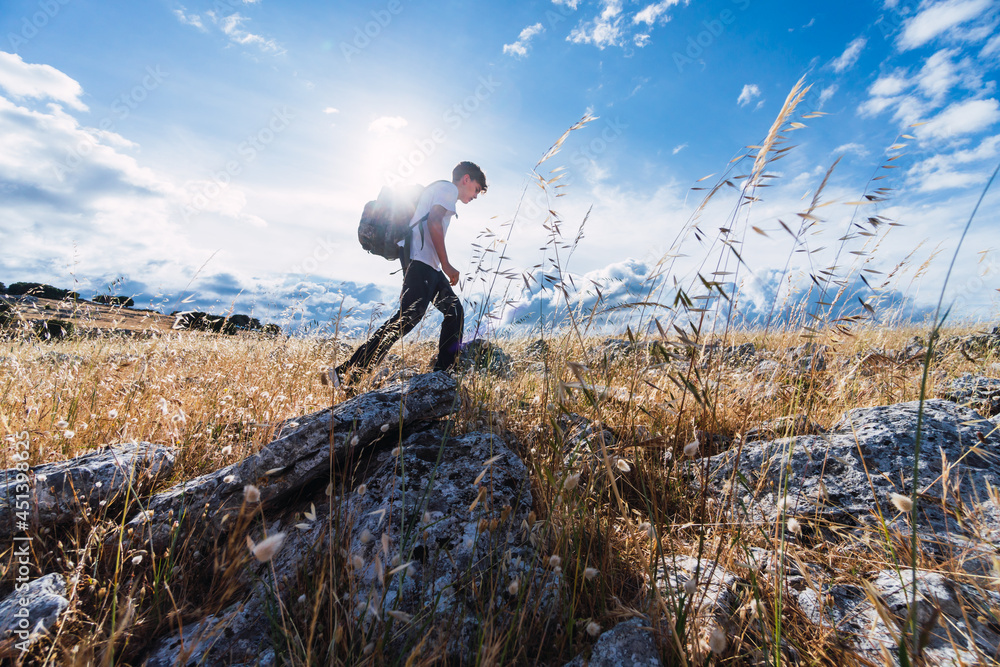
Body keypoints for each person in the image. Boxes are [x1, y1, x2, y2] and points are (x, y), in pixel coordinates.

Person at [329, 161, 487, 387]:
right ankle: (346, 372)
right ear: (466, 179)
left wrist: (440, 265)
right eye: (477, 189)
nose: (475, 196)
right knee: (405, 321)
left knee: (454, 312)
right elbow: (433, 222)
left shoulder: (441, 191)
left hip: (427, 266)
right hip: (421, 263)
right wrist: (447, 264)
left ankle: (442, 376)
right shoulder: (448, 190)